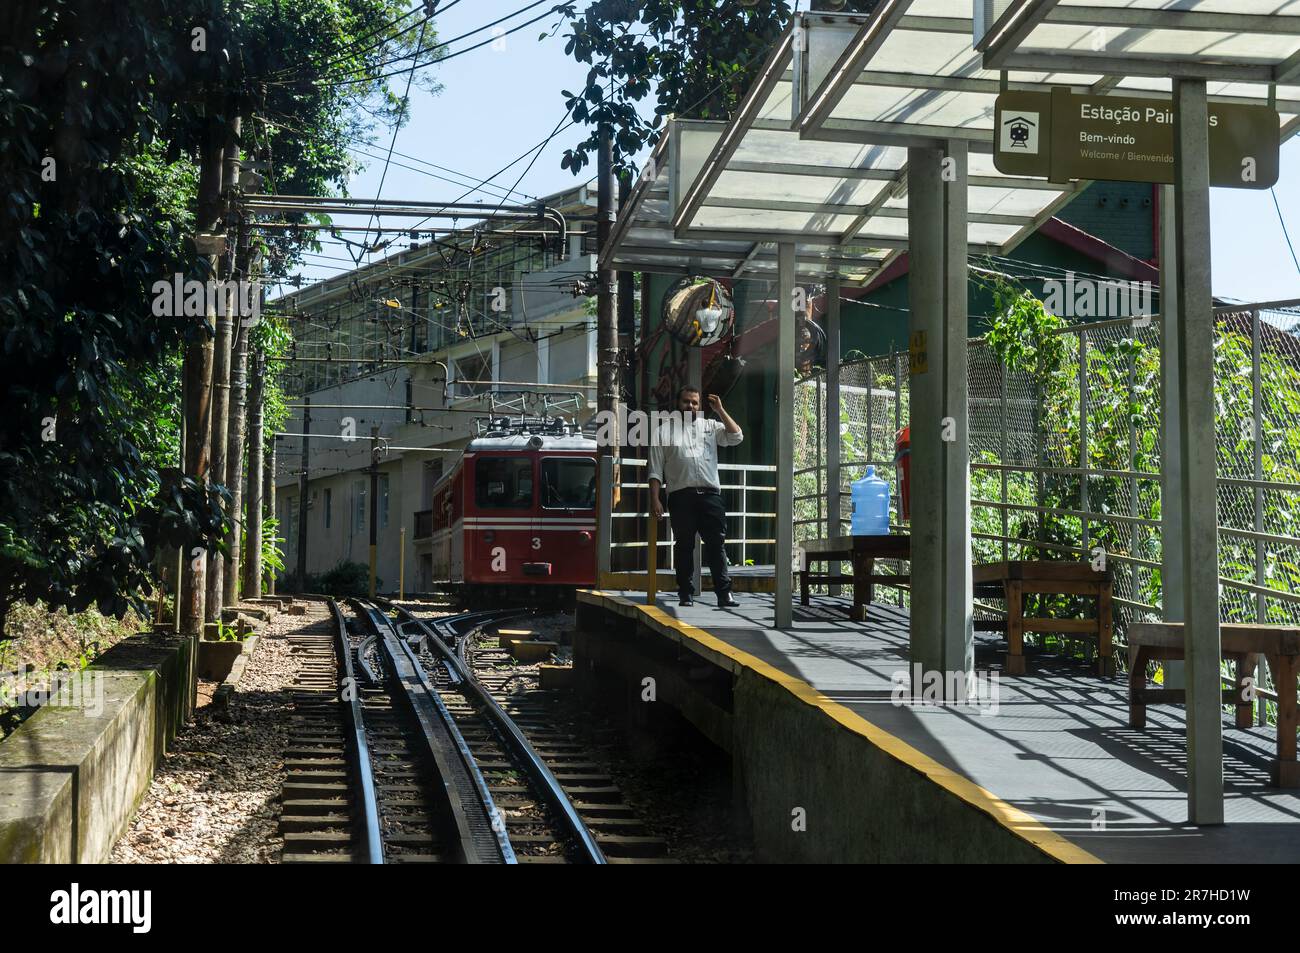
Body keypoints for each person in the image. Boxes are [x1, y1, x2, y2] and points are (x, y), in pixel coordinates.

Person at [647, 386, 743, 608]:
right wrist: (655, 499)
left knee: (716, 544)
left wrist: (719, 410)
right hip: (681, 497)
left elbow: (736, 436)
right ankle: (685, 593)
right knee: (684, 545)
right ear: (677, 403)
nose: (690, 406)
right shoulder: (662, 431)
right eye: (686, 402)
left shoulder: (710, 426)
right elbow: (655, 470)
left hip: (711, 495)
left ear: (700, 406)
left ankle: (724, 594)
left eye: (694, 403)